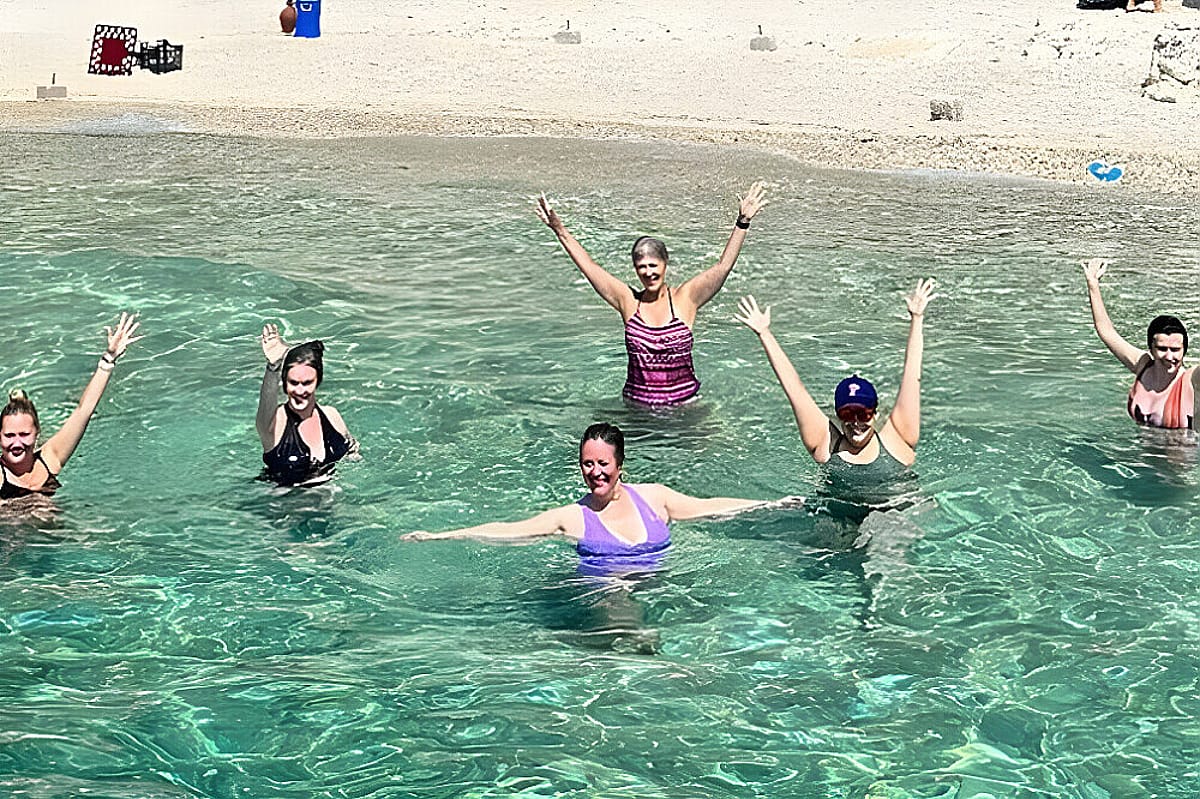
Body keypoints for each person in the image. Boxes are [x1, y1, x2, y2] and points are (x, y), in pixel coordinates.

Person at [401, 423, 762, 570]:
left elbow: (710, 508)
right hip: (600, 599)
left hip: (662, 587)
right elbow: (509, 530)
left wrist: (769, 505)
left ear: (620, 464)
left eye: (603, 463)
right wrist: (443, 535)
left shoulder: (654, 498)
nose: (595, 472)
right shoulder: (572, 517)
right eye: (586, 464)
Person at [535, 182, 768, 406]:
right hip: (637, 411)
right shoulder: (628, 301)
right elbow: (590, 268)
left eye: (653, 265)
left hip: (684, 407)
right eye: (641, 267)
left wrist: (743, 221)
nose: (648, 272)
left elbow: (722, 267)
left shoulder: (685, 298)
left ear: (665, 264)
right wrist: (560, 230)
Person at [734, 279, 936, 478]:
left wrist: (917, 319)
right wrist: (764, 334)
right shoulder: (826, 443)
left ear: (874, 413)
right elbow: (794, 389)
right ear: (838, 415)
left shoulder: (898, 436)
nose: (855, 423)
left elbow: (912, 375)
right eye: (847, 413)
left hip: (898, 511)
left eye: (862, 414)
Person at [1, 313, 142, 500]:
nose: (16, 443)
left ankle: (21, 399)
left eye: (24, 435)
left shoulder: (50, 458)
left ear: (37, 435)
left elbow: (84, 410)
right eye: (9, 436)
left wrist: (109, 359)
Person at [1082, 258, 1197, 429]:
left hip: (1181, 455)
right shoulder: (1143, 365)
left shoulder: (1192, 380)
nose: (1169, 356)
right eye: (1162, 349)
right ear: (1151, 348)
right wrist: (1092, 284)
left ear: (1184, 350)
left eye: (1175, 349)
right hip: (1139, 453)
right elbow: (1106, 332)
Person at [257, 324, 358, 486]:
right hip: (280, 504)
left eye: (307, 383)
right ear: (284, 383)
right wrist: (273, 366)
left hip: (328, 501)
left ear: (318, 381)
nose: (300, 390)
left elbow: (353, 451)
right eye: (293, 383)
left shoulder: (332, 416)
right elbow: (264, 412)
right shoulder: (276, 424)